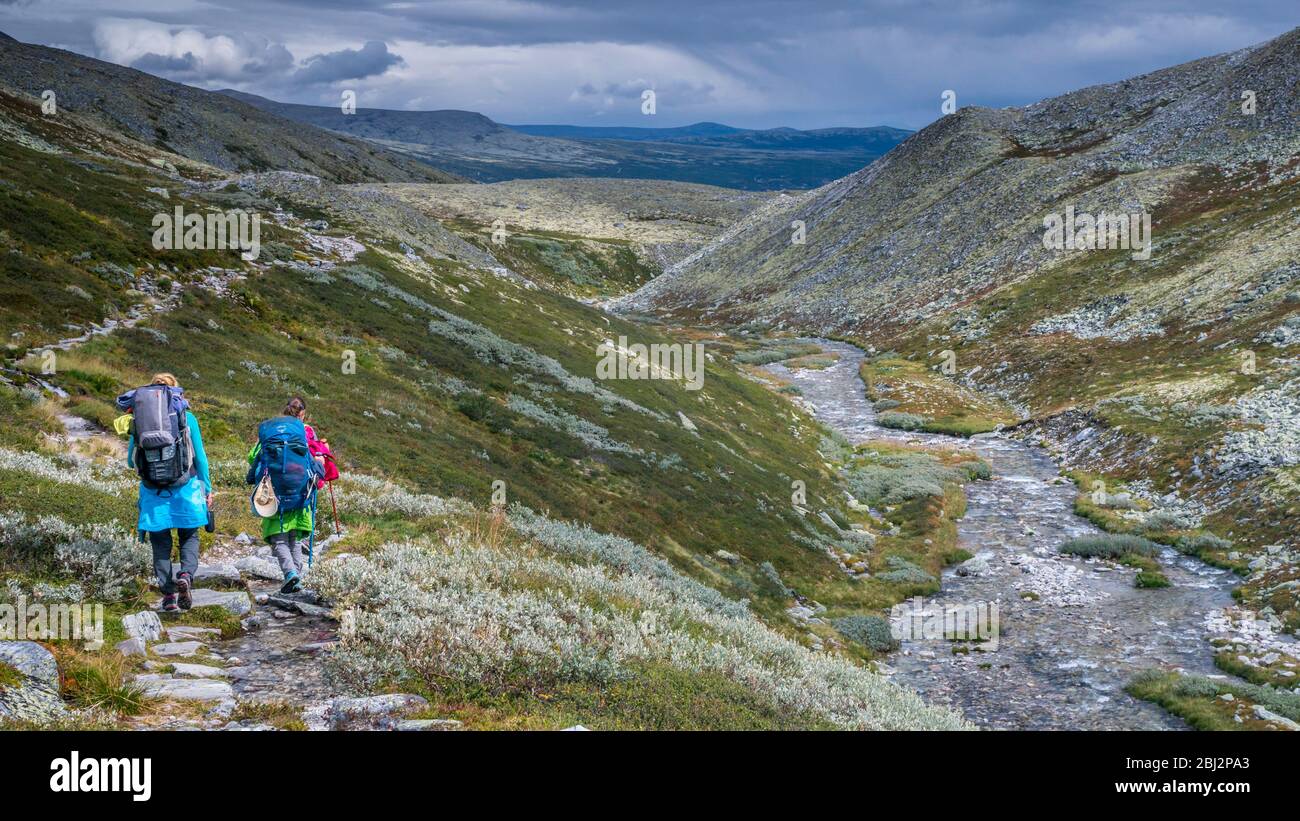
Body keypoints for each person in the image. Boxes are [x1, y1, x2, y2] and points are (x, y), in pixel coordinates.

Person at [126, 373, 211, 613]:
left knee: (160, 543)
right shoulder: (187, 416)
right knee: (189, 536)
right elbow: (200, 457)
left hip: (153, 492)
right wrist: (208, 488)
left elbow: (131, 462)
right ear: (176, 393)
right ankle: (185, 575)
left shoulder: (139, 419)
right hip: (186, 487)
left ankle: (169, 596)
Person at [248, 396, 321, 593]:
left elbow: (252, 456)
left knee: (278, 539)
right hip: (300, 494)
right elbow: (313, 459)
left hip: (274, 493)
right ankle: (296, 577)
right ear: (303, 414)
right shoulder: (304, 432)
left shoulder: (271, 431)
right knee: (295, 538)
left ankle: (290, 575)